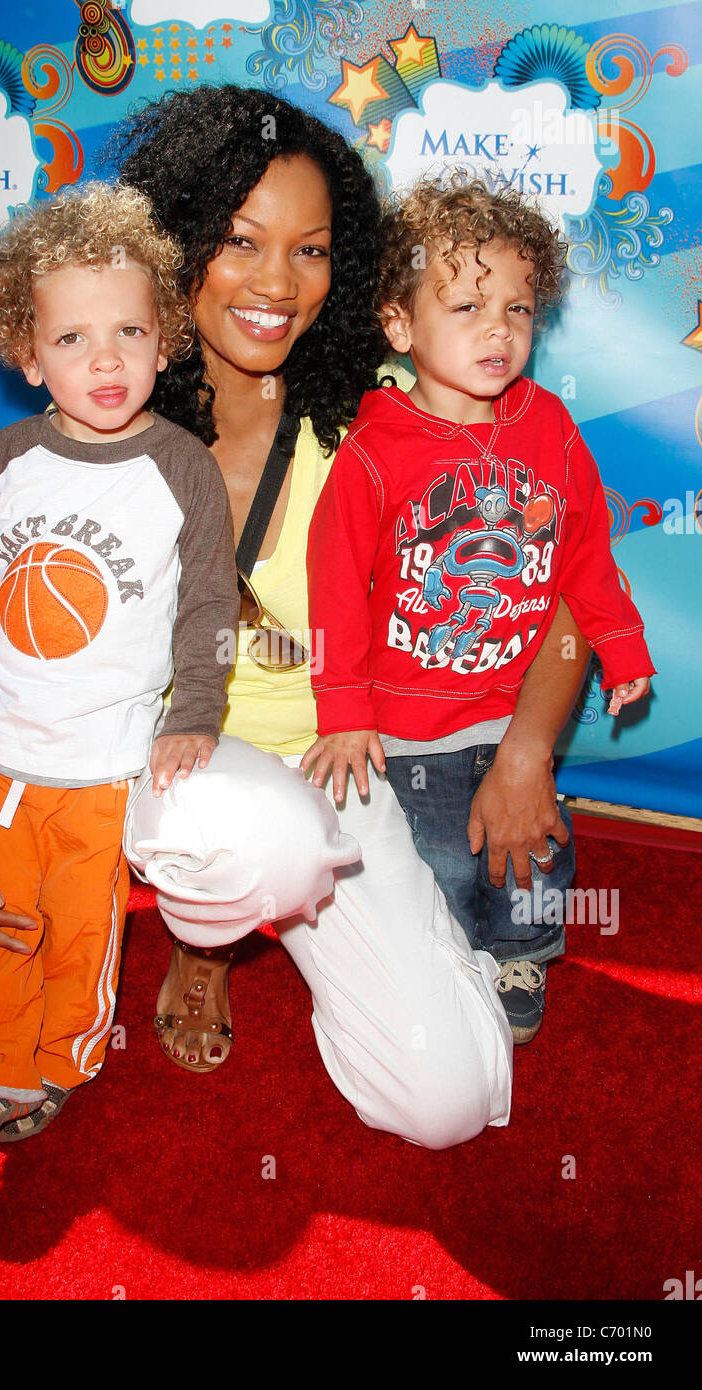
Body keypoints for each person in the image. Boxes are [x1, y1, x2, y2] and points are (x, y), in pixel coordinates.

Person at [0, 87, 593, 1149]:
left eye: (314, 250)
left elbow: (565, 591)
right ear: (176, 239)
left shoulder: (395, 413)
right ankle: (204, 938)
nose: (278, 283)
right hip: (138, 769)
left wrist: (526, 750)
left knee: (449, 1105)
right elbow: (10, 627)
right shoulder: (91, 407)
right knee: (256, 842)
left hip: (333, 766)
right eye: (240, 240)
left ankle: (341, 921)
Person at [0, 183, 240, 1154]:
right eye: (71, 339)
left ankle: (56, 1064)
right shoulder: (4, 458)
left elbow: (208, 606)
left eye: (129, 331)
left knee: (79, 931)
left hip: (98, 763)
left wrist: (197, 712)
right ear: (26, 352)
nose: (104, 359)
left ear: (167, 340)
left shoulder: (183, 470)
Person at [304, 177, 655, 1043]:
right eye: (465, 305)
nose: (498, 329)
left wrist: (626, 647)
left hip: (512, 708)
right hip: (412, 727)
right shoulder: (374, 452)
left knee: (535, 846)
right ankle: (458, 955)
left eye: (519, 308)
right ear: (400, 325)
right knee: (442, 864)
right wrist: (343, 711)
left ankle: (525, 949)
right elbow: (336, 586)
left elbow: (583, 550)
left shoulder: (551, 426)